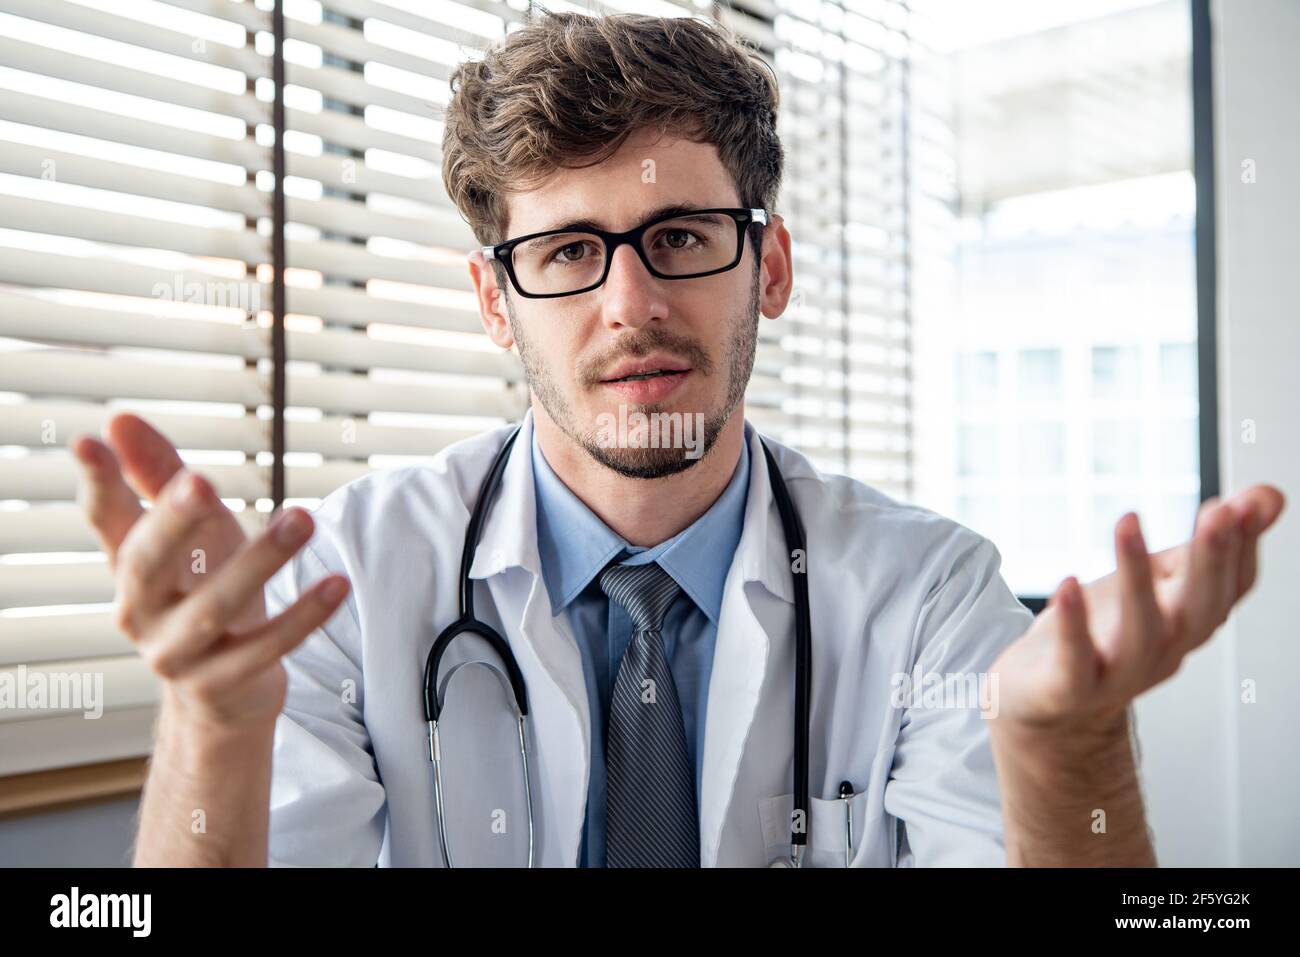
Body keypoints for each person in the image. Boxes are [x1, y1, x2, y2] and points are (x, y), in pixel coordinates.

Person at [70, 12, 1283, 867]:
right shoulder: (339, 580)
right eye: (565, 252)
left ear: (771, 267)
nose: (631, 305)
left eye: (684, 237)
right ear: (495, 303)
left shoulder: (930, 598)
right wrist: (215, 729)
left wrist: (1064, 749)